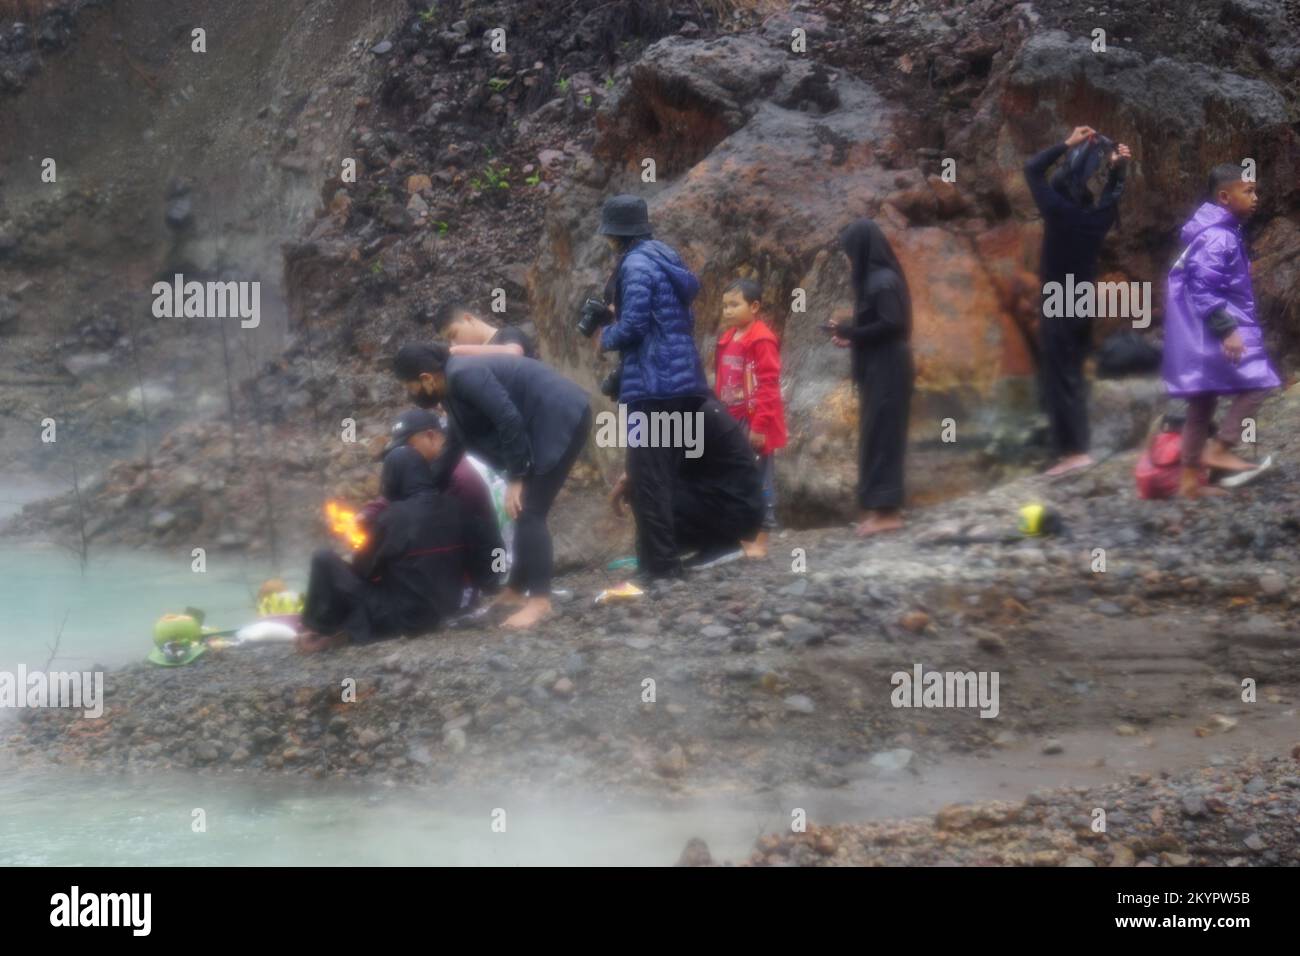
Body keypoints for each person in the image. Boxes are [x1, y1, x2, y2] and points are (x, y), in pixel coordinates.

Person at [393, 343, 591, 629]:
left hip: (559, 415)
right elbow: (456, 443)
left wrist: (517, 477)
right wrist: (429, 488)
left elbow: (507, 417)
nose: (410, 394)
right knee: (522, 511)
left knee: (529, 510)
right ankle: (516, 590)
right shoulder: (451, 389)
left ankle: (539, 602)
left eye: (409, 386)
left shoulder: (463, 375)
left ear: (426, 378)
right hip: (540, 423)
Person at [595, 194, 709, 578]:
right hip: (684, 383)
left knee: (647, 479)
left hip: (652, 386)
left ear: (616, 235)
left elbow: (634, 327)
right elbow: (680, 321)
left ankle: (661, 568)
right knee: (667, 475)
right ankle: (664, 560)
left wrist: (604, 336)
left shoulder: (635, 265)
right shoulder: (667, 259)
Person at [1162, 164, 1281, 499]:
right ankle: (1220, 449)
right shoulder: (1219, 236)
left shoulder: (1215, 232)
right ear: (1225, 197)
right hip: (1216, 327)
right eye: (1248, 191)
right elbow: (1203, 287)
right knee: (1259, 382)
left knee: (1202, 400)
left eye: (1255, 191)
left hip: (1196, 333)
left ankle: (1190, 482)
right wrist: (1228, 330)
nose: (1255, 198)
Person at [1024, 125, 1132, 477]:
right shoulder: (1095, 218)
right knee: (1071, 373)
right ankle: (1073, 449)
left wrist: (1066, 144)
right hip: (1081, 300)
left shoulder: (1057, 212)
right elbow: (1112, 195)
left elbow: (1032, 170)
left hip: (1058, 301)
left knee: (1060, 377)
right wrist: (1118, 169)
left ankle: (1072, 453)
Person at [296, 445, 466, 653]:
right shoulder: (457, 507)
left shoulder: (392, 518)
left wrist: (359, 544)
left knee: (323, 558)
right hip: (447, 612)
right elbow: (481, 566)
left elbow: (363, 570)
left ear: (393, 478)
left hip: (403, 620)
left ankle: (316, 631)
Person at [831, 219, 914, 537]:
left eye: (851, 252)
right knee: (876, 433)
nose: (849, 259)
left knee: (883, 436)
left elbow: (892, 324)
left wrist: (851, 332)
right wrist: (852, 336)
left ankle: (888, 513)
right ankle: (881, 510)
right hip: (881, 365)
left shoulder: (882, 280)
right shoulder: (878, 279)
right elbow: (880, 326)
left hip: (889, 368)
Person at [609, 396, 763, 566]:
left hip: (736, 510)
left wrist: (625, 484)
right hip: (738, 504)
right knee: (649, 487)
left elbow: (652, 473)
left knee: (647, 491)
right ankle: (695, 544)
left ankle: (720, 546)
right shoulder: (689, 404)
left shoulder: (687, 415)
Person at [382, 408, 504, 602]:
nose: (407, 455)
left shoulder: (458, 476)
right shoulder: (459, 462)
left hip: (498, 570)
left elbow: (477, 535)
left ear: (431, 436)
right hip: (500, 560)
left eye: (408, 447)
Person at [713, 277, 787, 558]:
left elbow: (769, 385)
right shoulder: (727, 339)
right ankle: (742, 534)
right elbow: (721, 381)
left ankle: (762, 539)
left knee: (761, 478)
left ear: (754, 306)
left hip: (755, 421)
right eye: (725, 306)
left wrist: (759, 426)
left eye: (735, 304)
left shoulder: (762, 339)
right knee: (736, 477)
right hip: (731, 420)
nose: (728, 311)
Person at [434, 301, 538, 359]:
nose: (453, 344)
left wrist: (457, 351)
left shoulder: (509, 333)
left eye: (454, 335)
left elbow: (513, 353)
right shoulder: (470, 358)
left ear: (468, 319)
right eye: (449, 341)